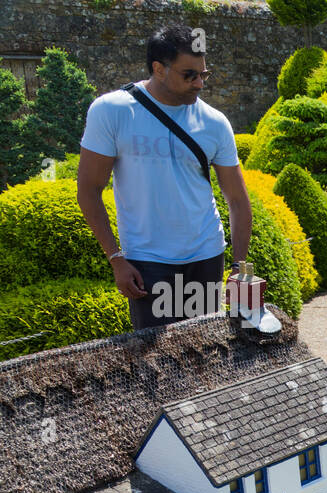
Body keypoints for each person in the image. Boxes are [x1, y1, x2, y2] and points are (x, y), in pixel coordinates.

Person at [78, 23, 249, 330]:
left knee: (204, 351)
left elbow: (237, 199)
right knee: (158, 364)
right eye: (189, 75)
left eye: (203, 74)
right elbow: (89, 189)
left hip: (206, 257)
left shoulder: (214, 122)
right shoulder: (112, 111)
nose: (199, 83)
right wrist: (116, 259)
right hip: (148, 263)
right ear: (158, 68)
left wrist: (239, 266)